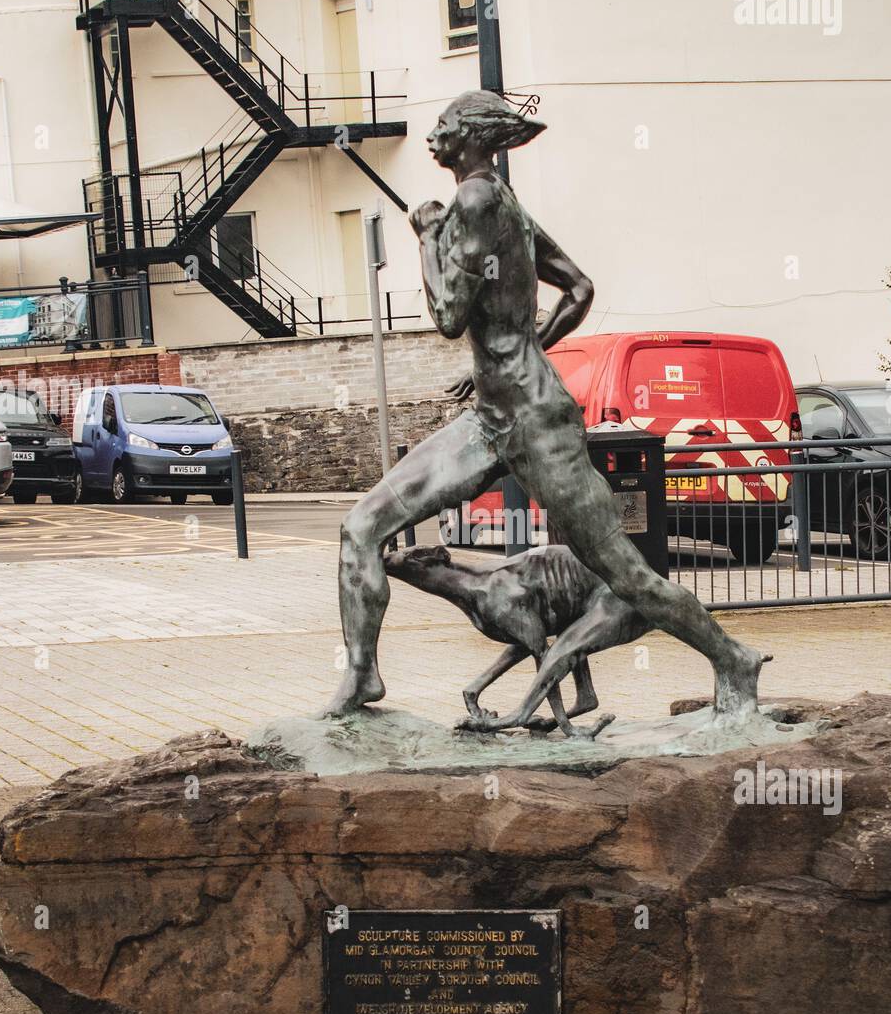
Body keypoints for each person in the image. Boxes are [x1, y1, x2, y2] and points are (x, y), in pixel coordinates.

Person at [324, 90, 767, 724]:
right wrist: (525, 347)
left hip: (535, 421)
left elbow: (449, 314)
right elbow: (580, 288)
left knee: (625, 574)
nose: (433, 136)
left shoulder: (477, 200)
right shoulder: (506, 208)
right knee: (361, 527)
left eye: (444, 125)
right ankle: (362, 677)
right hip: (493, 418)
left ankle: (734, 659)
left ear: (474, 136)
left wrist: (426, 238)